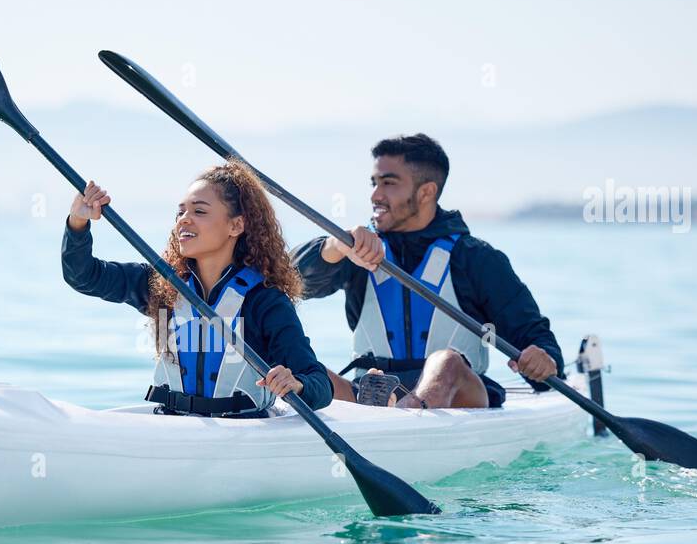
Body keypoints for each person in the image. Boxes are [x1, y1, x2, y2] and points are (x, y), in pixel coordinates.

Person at [291, 134, 561, 409]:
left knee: (447, 362)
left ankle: (409, 413)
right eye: (374, 183)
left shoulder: (476, 259)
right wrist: (335, 246)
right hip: (373, 391)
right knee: (297, 368)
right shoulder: (357, 248)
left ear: (426, 192)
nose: (375, 195)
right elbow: (284, 283)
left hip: (458, 396)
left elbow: (535, 339)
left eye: (388, 183)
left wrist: (543, 359)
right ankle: (393, 411)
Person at [62, 160, 333, 416]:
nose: (183, 220)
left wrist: (296, 384)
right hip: (171, 422)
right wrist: (78, 222)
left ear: (236, 225)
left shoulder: (264, 301)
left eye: (199, 211)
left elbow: (319, 383)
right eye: (181, 212)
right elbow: (83, 276)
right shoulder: (161, 285)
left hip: (243, 429)